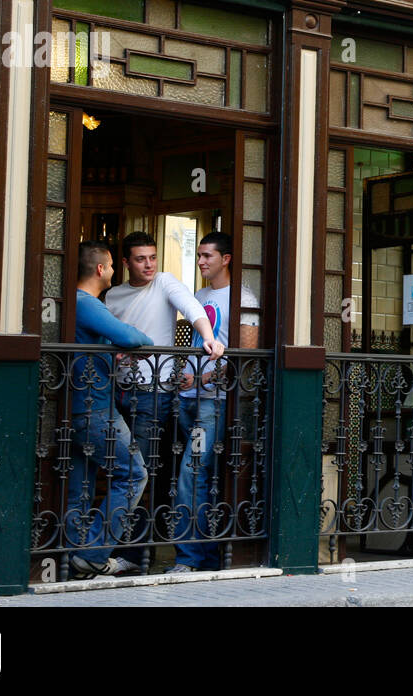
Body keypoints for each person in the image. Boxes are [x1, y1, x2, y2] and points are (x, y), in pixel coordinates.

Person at [105, 230, 224, 568]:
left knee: (140, 471)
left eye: (152, 258)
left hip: (154, 398)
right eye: (140, 259)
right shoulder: (113, 296)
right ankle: (124, 550)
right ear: (126, 262)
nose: (148, 265)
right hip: (120, 392)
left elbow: (193, 308)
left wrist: (208, 337)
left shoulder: (165, 282)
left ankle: (132, 554)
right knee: (122, 470)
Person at [167, 231, 260, 573]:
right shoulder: (200, 294)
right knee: (196, 476)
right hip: (188, 397)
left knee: (191, 473)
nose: (202, 261)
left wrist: (203, 378)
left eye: (208, 256)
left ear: (226, 259)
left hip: (214, 402)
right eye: (200, 255)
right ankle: (203, 557)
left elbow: (245, 357)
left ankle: (188, 559)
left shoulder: (243, 298)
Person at [67, 241, 153, 578]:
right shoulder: (85, 303)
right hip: (95, 406)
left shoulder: (76, 303)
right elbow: (131, 337)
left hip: (78, 405)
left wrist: (107, 351)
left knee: (81, 486)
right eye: (112, 267)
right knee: (133, 474)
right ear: (101, 268)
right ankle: (94, 553)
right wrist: (130, 343)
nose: (115, 272)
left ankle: (76, 559)